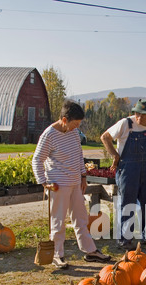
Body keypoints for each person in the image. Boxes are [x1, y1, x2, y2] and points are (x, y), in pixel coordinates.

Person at [32, 99, 111, 269]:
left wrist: (83, 176)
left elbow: (78, 155)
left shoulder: (73, 133)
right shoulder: (49, 135)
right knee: (58, 221)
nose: (77, 127)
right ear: (64, 120)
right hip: (58, 184)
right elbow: (37, 160)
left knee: (81, 219)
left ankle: (90, 251)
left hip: (76, 183)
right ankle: (56, 255)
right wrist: (43, 182)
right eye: (75, 124)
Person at [101, 99, 146, 250]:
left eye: (143, 114)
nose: (139, 117)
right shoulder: (125, 124)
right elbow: (105, 137)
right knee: (127, 204)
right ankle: (124, 240)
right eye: (137, 113)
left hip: (145, 168)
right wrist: (115, 155)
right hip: (127, 169)